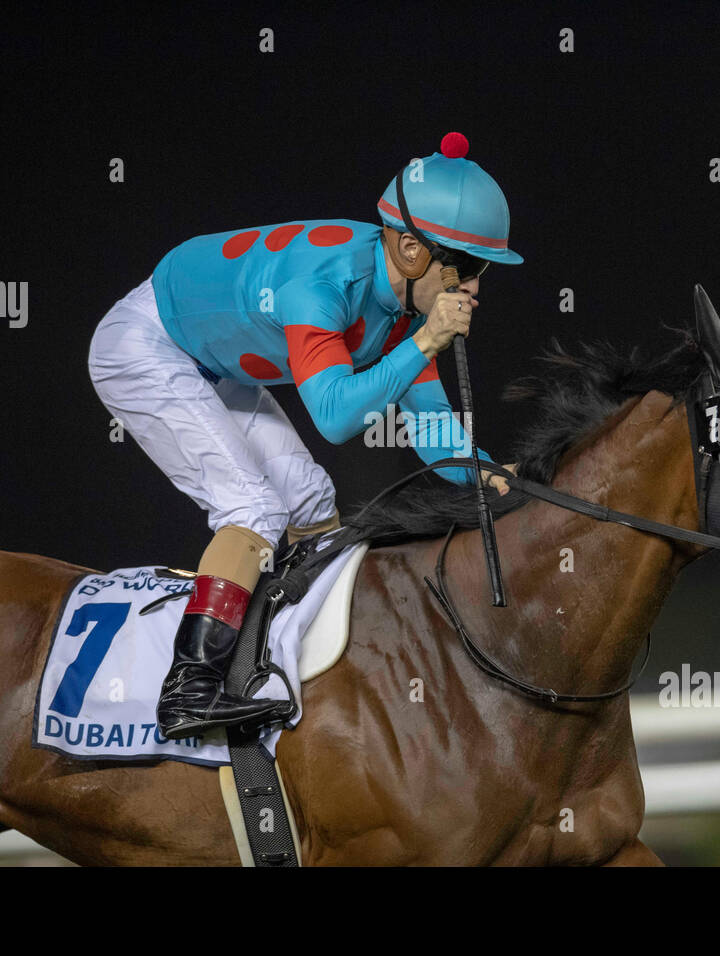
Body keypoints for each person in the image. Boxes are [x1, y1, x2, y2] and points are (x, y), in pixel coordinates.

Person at [87, 132, 523, 739]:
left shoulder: (398, 308)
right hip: (147, 345)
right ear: (409, 249)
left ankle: (281, 664)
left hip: (215, 361)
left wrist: (499, 480)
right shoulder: (320, 285)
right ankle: (188, 691)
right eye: (469, 267)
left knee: (313, 504)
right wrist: (427, 342)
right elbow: (337, 418)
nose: (475, 287)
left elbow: (433, 430)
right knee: (253, 508)